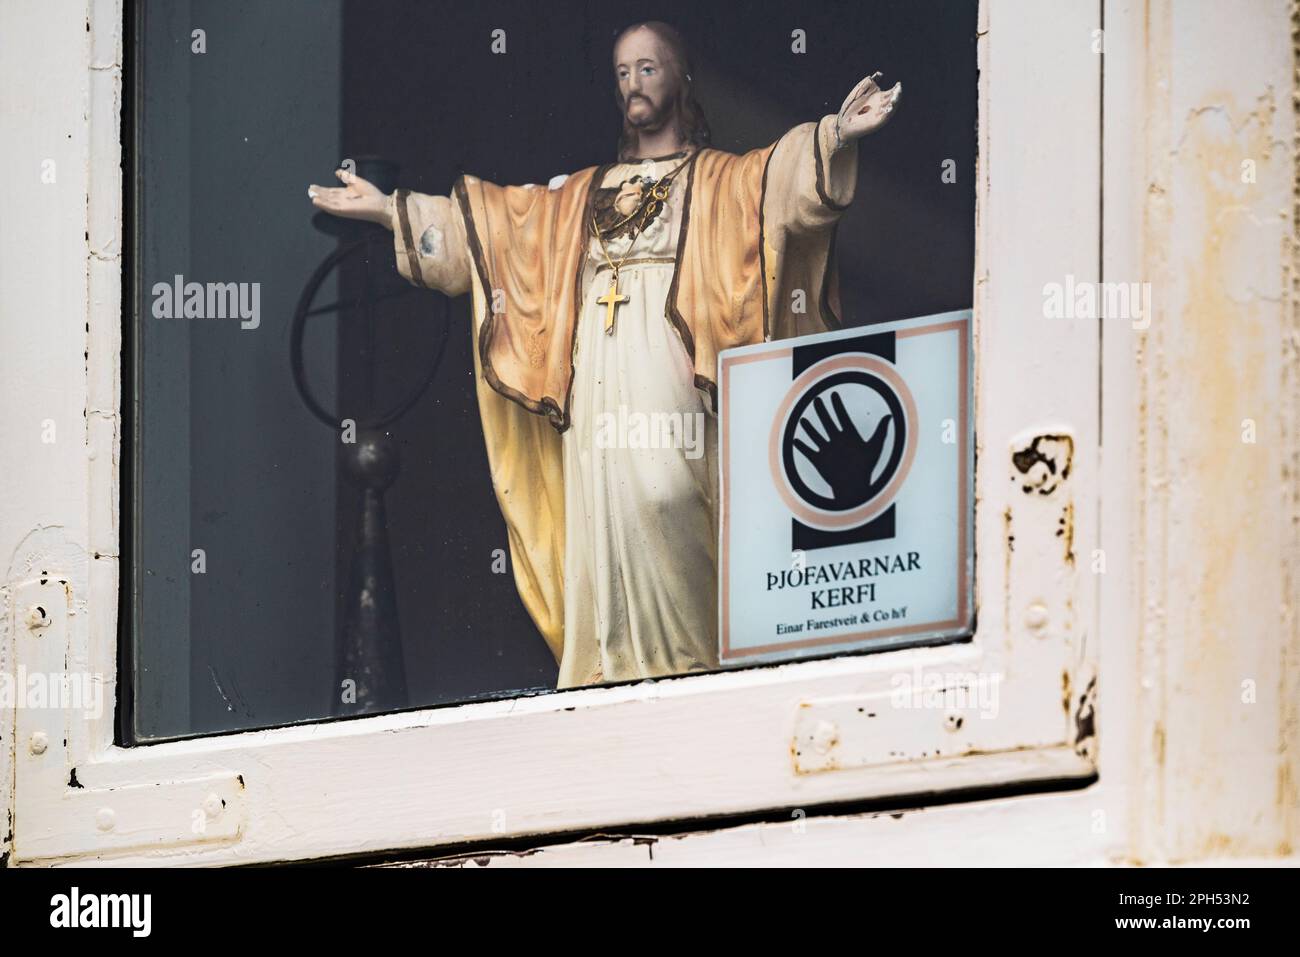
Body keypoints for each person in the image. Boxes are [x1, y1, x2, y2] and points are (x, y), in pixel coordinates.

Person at [308, 21, 901, 688]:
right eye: (622, 73)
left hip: (671, 359)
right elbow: (501, 228)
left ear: (680, 80)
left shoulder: (716, 179)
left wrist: (834, 136)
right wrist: (393, 210)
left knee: (666, 492)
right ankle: (611, 670)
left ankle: (693, 662)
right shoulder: (583, 194)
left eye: (648, 69)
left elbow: (780, 183)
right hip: (600, 361)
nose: (633, 85)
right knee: (603, 509)